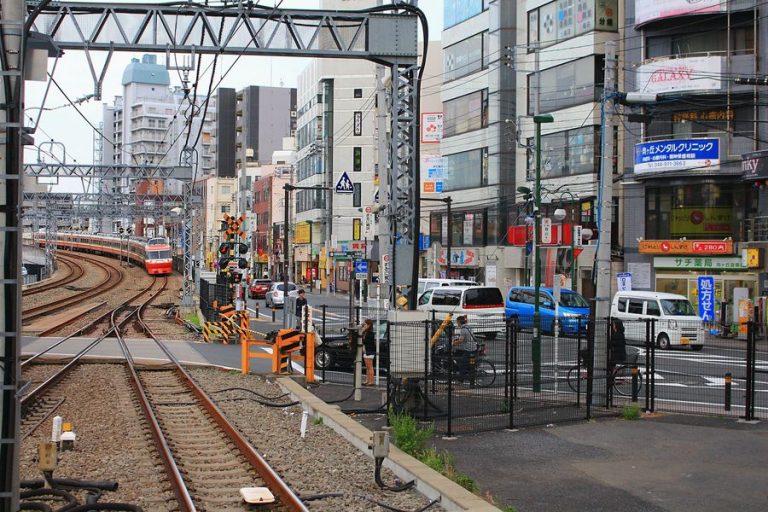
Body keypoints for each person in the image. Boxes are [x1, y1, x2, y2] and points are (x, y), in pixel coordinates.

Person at [452, 315, 476, 380]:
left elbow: (461, 340)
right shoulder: (468, 327)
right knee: (465, 360)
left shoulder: (463, 329)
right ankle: (468, 374)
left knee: (463, 363)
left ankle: (461, 379)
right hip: (473, 347)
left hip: (469, 349)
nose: (457, 323)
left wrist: (453, 343)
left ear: (459, 322)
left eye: (457, 322)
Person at [361, 319, 376, 385]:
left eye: (365, 324)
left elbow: (366, 342)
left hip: (370, 351)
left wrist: (362, 332)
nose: (364, 325)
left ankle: (371, 381)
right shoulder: (365, 332)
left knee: (370, 367)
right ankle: (367, 380)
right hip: (366, 351)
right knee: (367, 367)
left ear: (369, 325)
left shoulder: (371, 333)